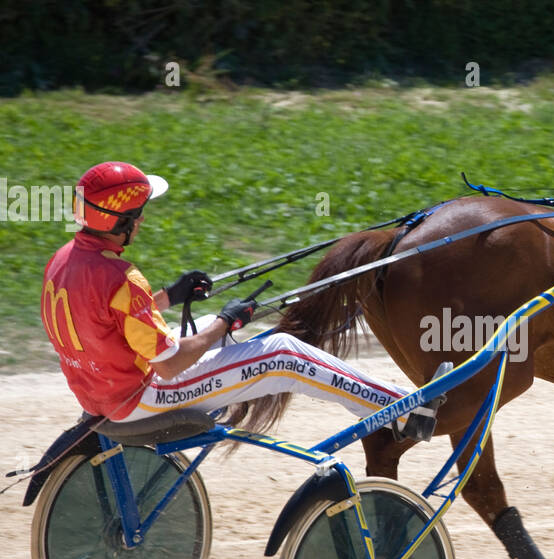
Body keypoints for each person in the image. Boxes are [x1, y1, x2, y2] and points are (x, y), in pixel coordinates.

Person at [41, 161, 442, 438]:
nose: (143, 220)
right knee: (284, 353)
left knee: (223, 329)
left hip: (99, 392)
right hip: (143, 396)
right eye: (139, 213)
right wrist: (227, 323)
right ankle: (405, 410)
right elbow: (170, 366)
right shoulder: (122, 279)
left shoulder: (61, 262)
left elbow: (104, 317)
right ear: (120, 221)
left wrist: (169, 296)